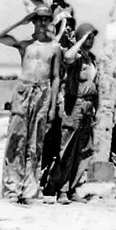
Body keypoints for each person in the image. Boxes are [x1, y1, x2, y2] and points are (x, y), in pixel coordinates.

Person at [0, 6, 61, 203]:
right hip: (23, 90)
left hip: (43, 92)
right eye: (38, 18)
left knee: (35, 142)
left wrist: (52, 106)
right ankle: (11, 188)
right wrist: (21, 21)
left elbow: (56, 77)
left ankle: (30, 188)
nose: (42, 22)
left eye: (46, 19)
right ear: (33, 20)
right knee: (17, 139)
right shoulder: (26, 45)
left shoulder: (54, 48)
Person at [48, 23, 99, 202]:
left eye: (92, 37)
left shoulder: (91, 58)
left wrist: (95, 110)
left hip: (88, 107)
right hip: (74, 104)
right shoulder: (75, 55)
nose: (91, 41)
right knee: (67, 149)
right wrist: (80, 39)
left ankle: (72, 188)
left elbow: (95, 85)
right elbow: (67, 57)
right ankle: (61, 189)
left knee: (83, 150)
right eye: (88, 37)